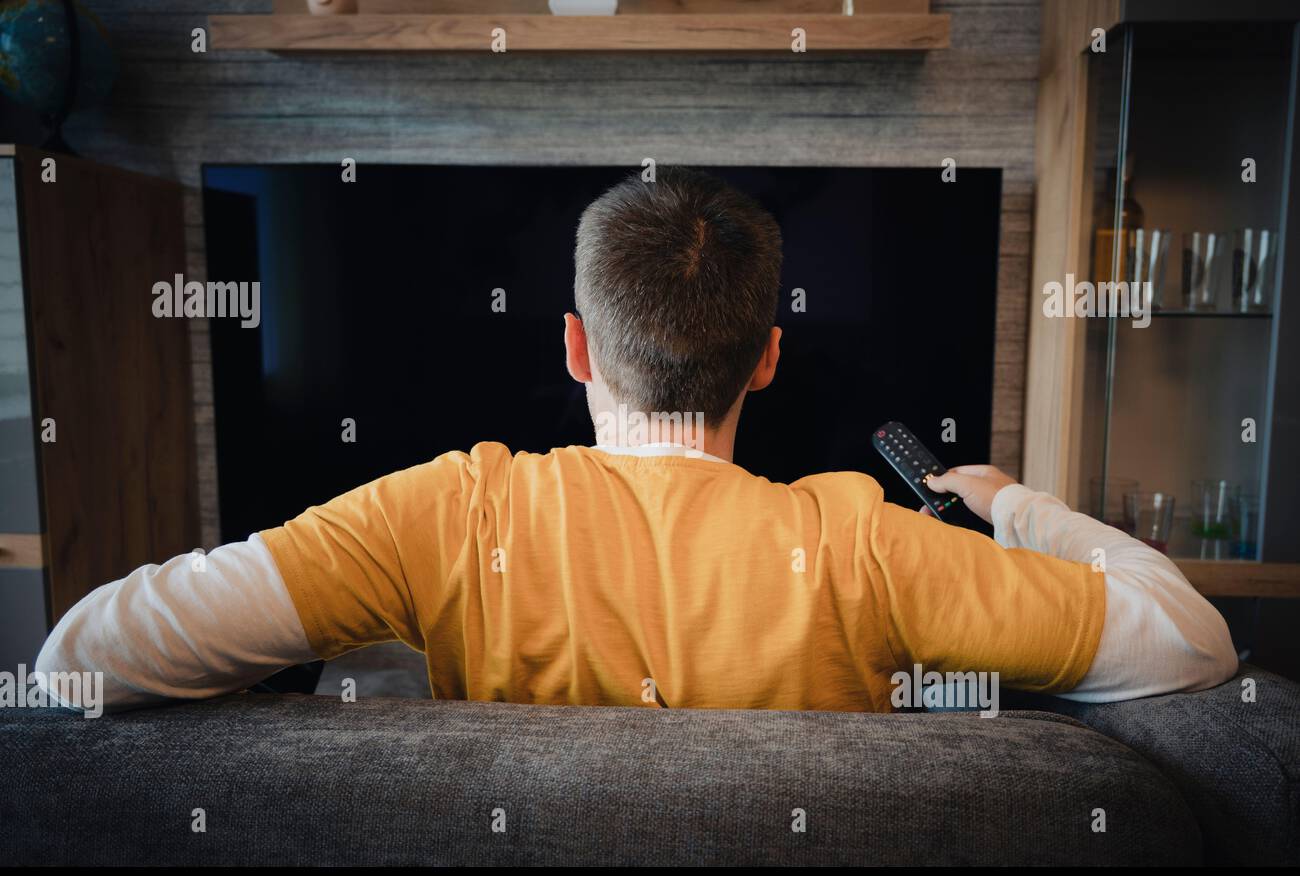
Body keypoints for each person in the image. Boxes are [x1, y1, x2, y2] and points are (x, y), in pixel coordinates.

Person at [35, 167, 1237, 713]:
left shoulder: (443, 514)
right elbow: (1193, 642)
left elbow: (80, 659)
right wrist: (1014, 501)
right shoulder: (864, 540)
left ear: (571, 347)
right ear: (769, 355)